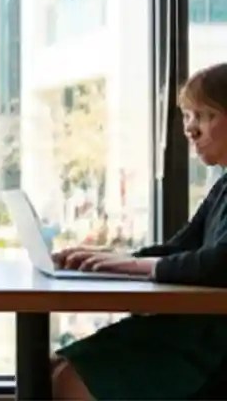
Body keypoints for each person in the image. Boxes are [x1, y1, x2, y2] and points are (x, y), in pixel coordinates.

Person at [49, 62, 227, 400]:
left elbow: (220, 263)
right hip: (196, 329)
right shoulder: (222, 186)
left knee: (70, 381)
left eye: (204, 116)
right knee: (53, 368)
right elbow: (180, 248)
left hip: (213, 346)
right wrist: (110, 259)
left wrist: (131, 266)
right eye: (189, 116)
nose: (191, 130)